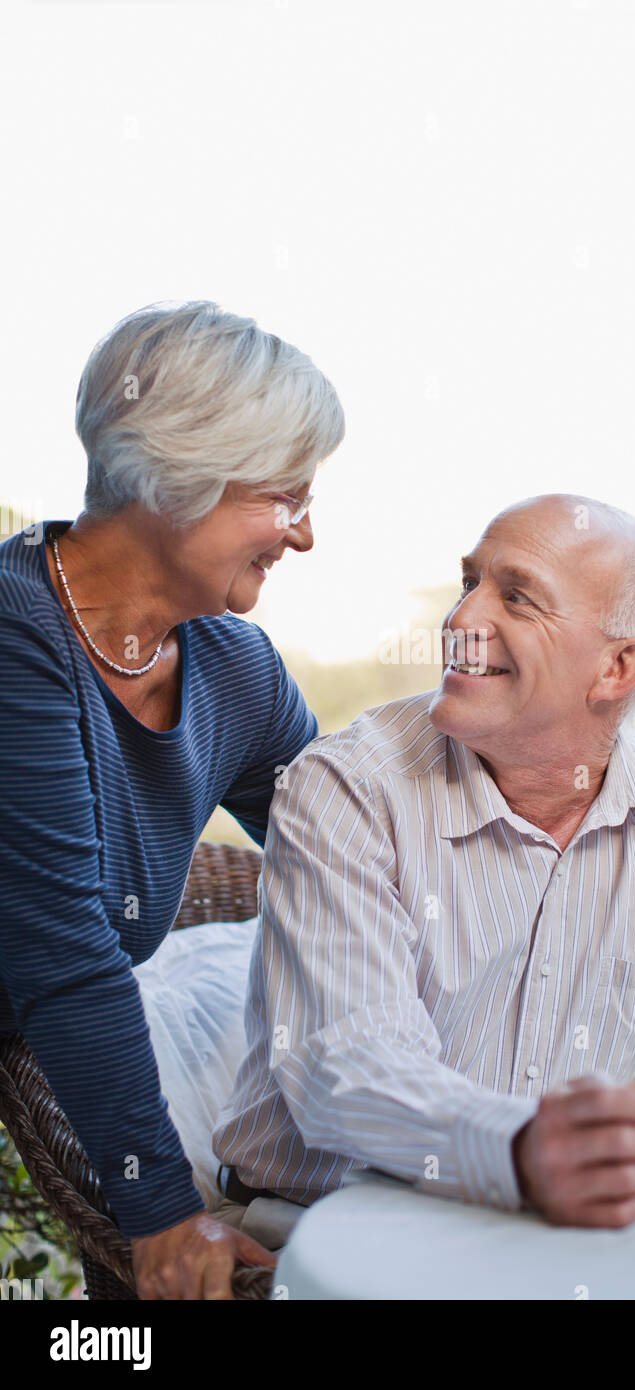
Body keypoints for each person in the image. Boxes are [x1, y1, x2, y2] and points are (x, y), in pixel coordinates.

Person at [213, 493, 635, 1235]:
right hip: (329, 1223)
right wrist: (525, 1153)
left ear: (617, 668)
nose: (462, 620)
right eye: (468, 582)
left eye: (518, 597)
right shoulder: (346, 787)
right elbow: (351, 1073)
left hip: (562, 1236)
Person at [0, 300, 344, 1298]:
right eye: (286, 493)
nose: (307, 533)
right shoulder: (17, 635)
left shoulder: (233, 668)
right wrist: (158, 1212)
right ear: (178, 475)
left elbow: (351, 852)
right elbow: (63, 954)